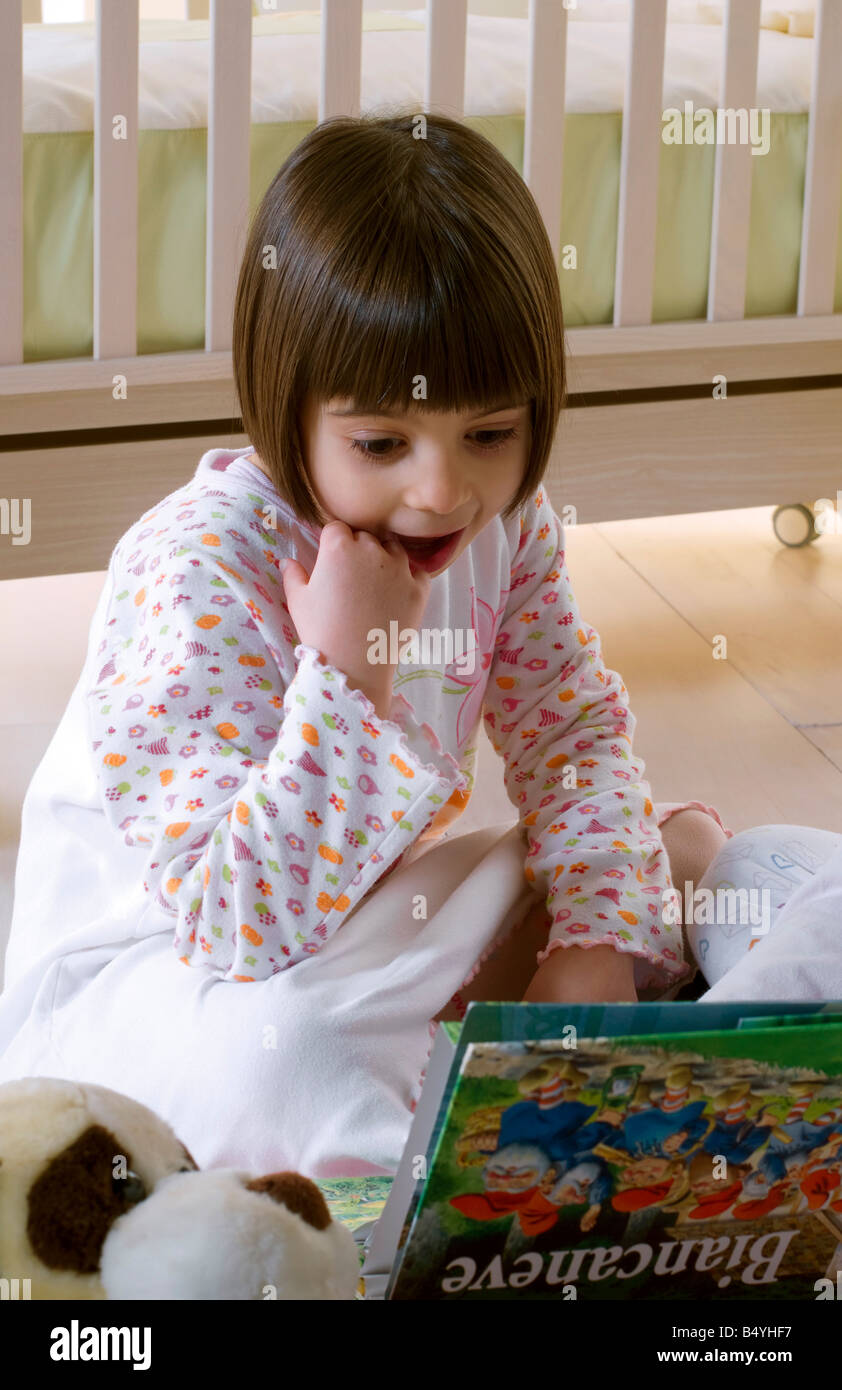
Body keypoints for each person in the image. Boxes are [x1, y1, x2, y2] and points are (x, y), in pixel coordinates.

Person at [0, 114, 729, 1174]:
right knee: (288, 1057)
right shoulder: (196, 567)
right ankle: (421, 1176)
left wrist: (588, 943)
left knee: (609, 870)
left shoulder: (504, 529)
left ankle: (578, 975)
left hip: (347, 927)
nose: (441, 491)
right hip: (165, 975)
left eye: (490, 433)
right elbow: (240, 929)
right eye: (379, 443)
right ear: (282, 412)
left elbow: (570, 733)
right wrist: (343, 673)